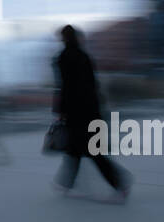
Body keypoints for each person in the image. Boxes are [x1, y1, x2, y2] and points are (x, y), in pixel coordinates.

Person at [53, 25, 132, 201]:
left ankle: (119, 183)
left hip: (76, 113)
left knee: (87, 150)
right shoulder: (84, 56)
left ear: (64, 38)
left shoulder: (63, 58)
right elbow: (92, 84)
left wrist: (60, 111)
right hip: (92, 110)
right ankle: (67, 184)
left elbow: (65, 87)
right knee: (78, 149)